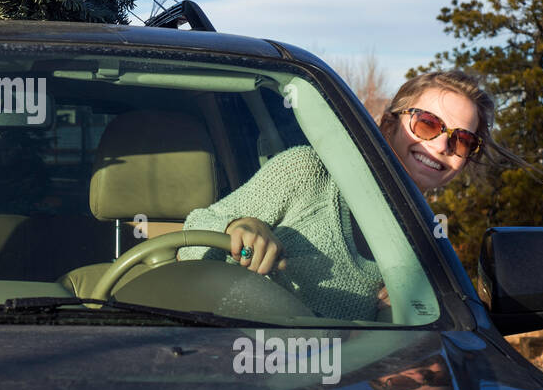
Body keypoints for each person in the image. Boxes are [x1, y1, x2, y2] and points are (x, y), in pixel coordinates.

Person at [178, 70, 494, 321]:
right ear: (389, 124)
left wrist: (401, 311)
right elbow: (189, 242)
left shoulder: (428, 250)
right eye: (427, 124)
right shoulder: (307, 171)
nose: (441, 146)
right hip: (222, 350)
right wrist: (239, 226)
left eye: (463, 140)